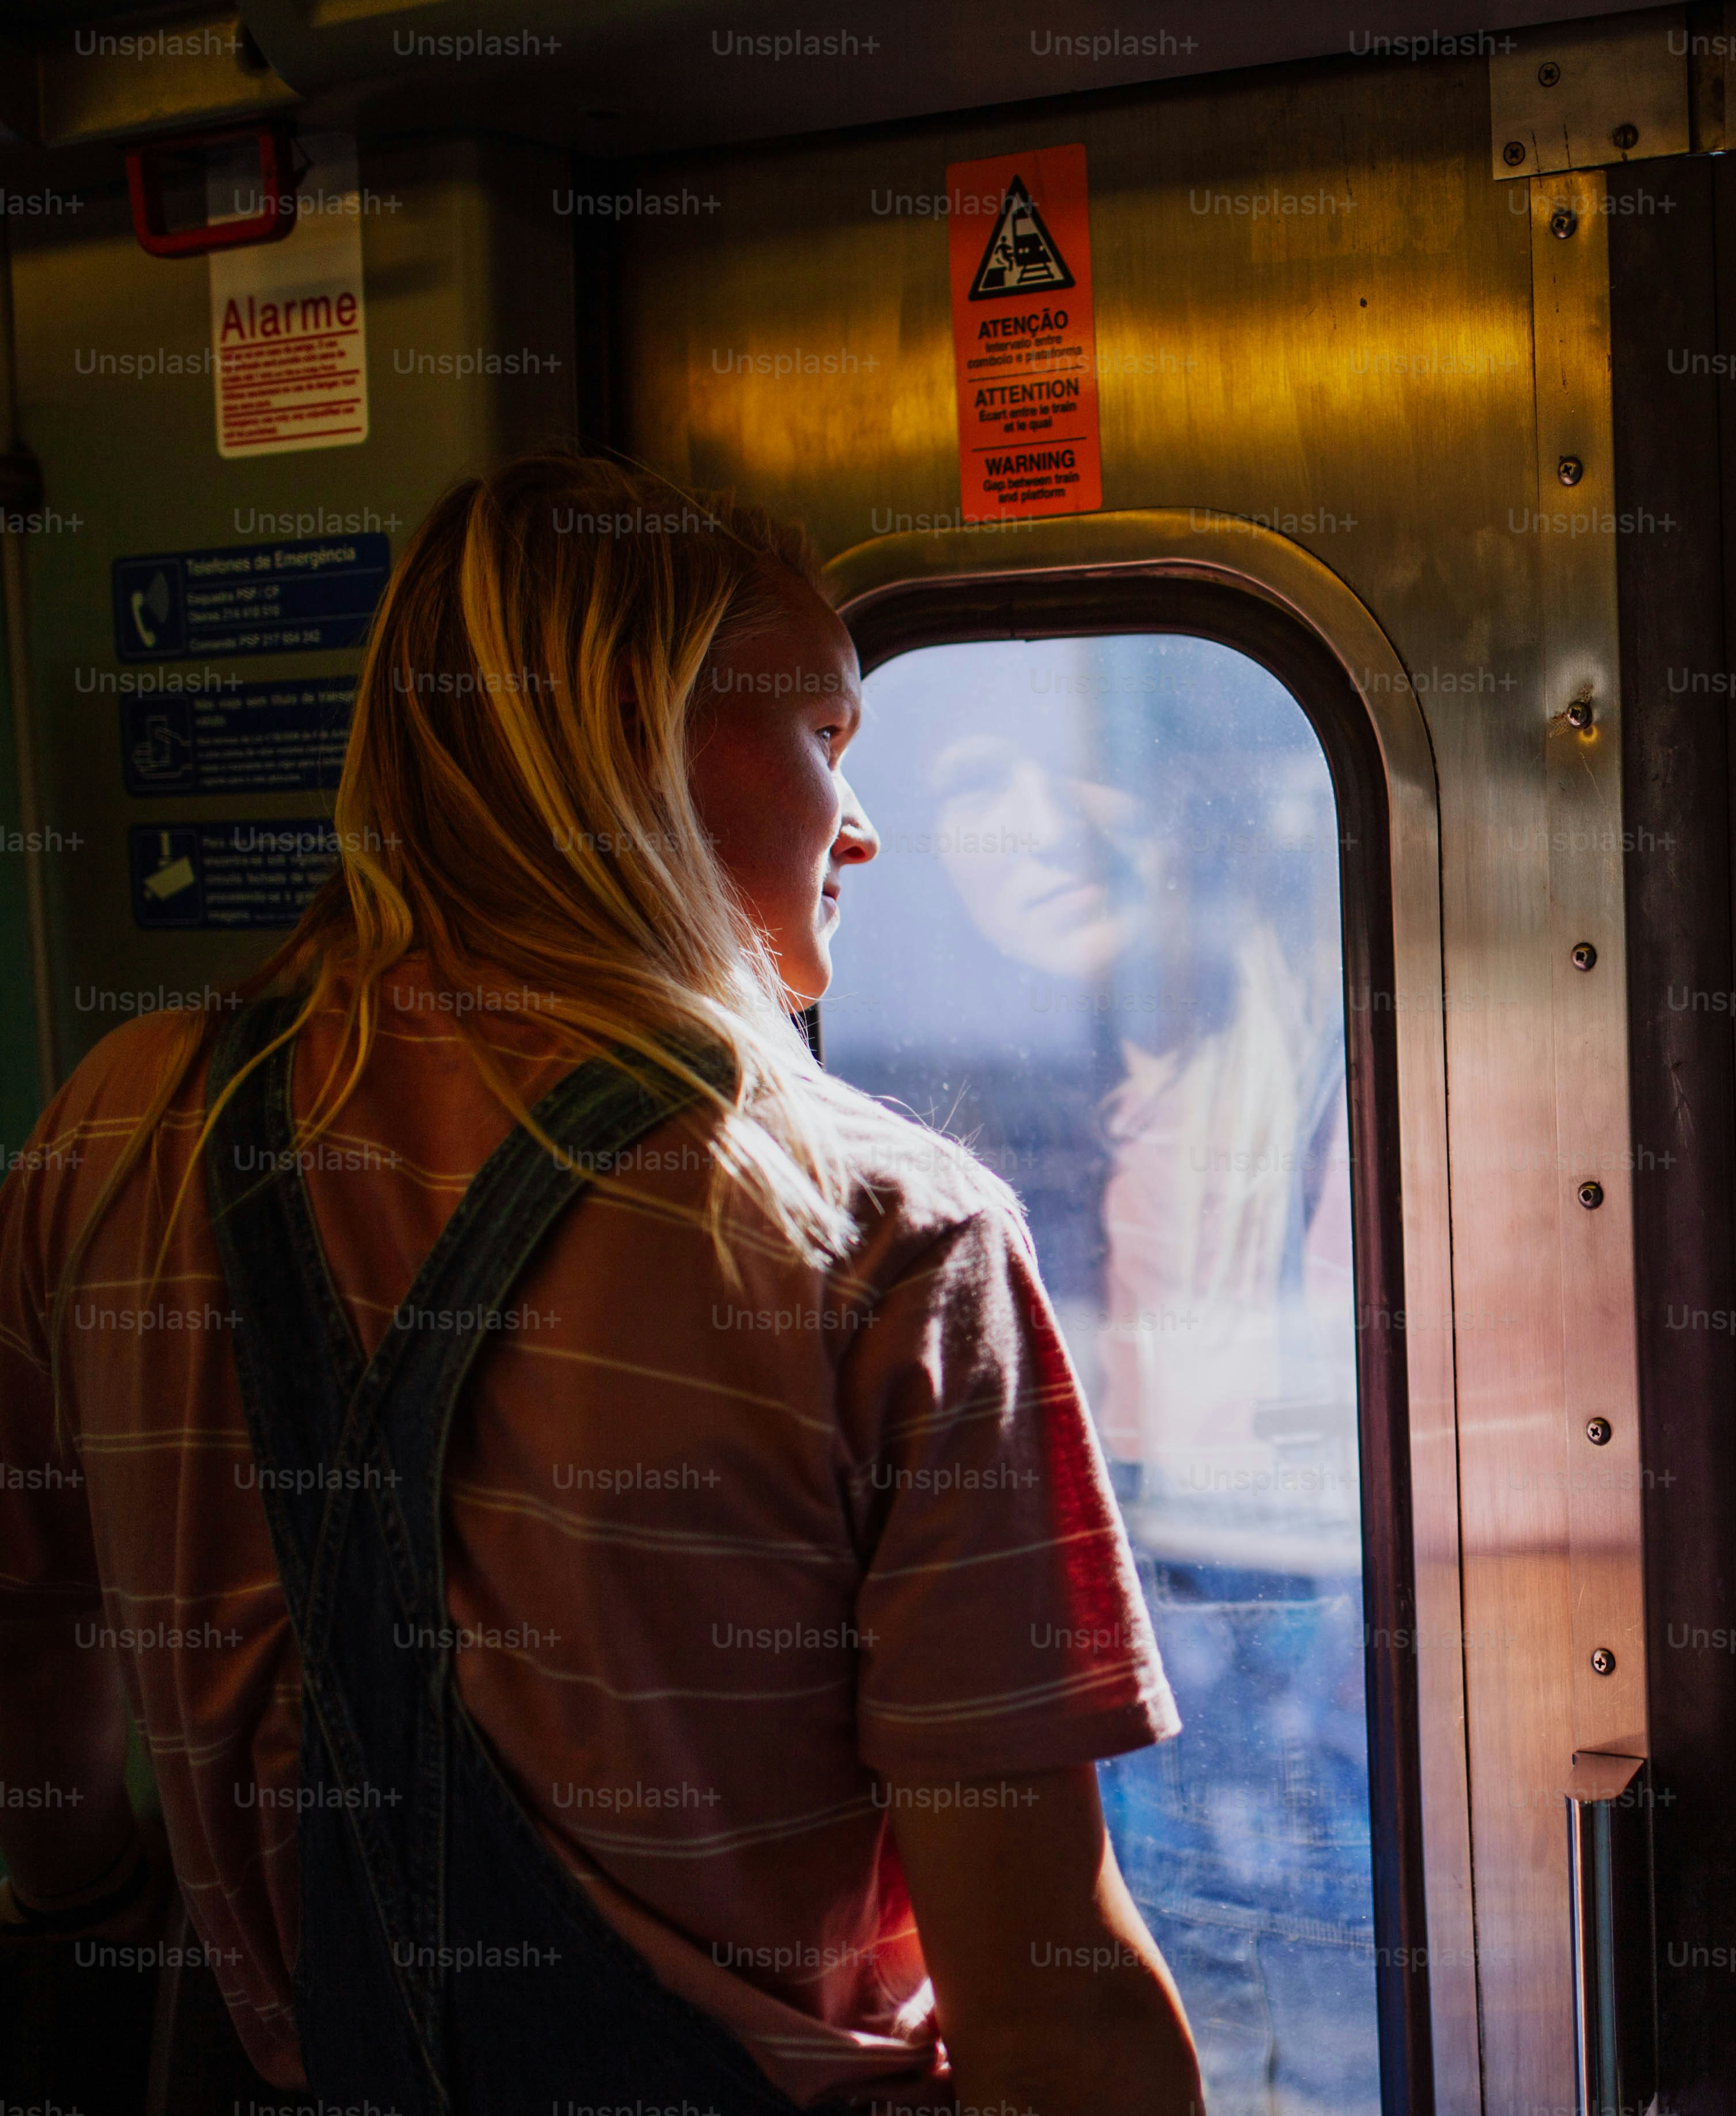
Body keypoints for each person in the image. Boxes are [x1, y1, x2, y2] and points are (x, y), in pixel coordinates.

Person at [0, 453, 1205, 2114]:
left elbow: (33, 1646)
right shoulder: (884, 1235)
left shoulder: (114, 1135)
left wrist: (90, 1904)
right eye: (826, 734)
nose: (862, 826)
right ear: (638, 738)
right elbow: (1054, 2018)